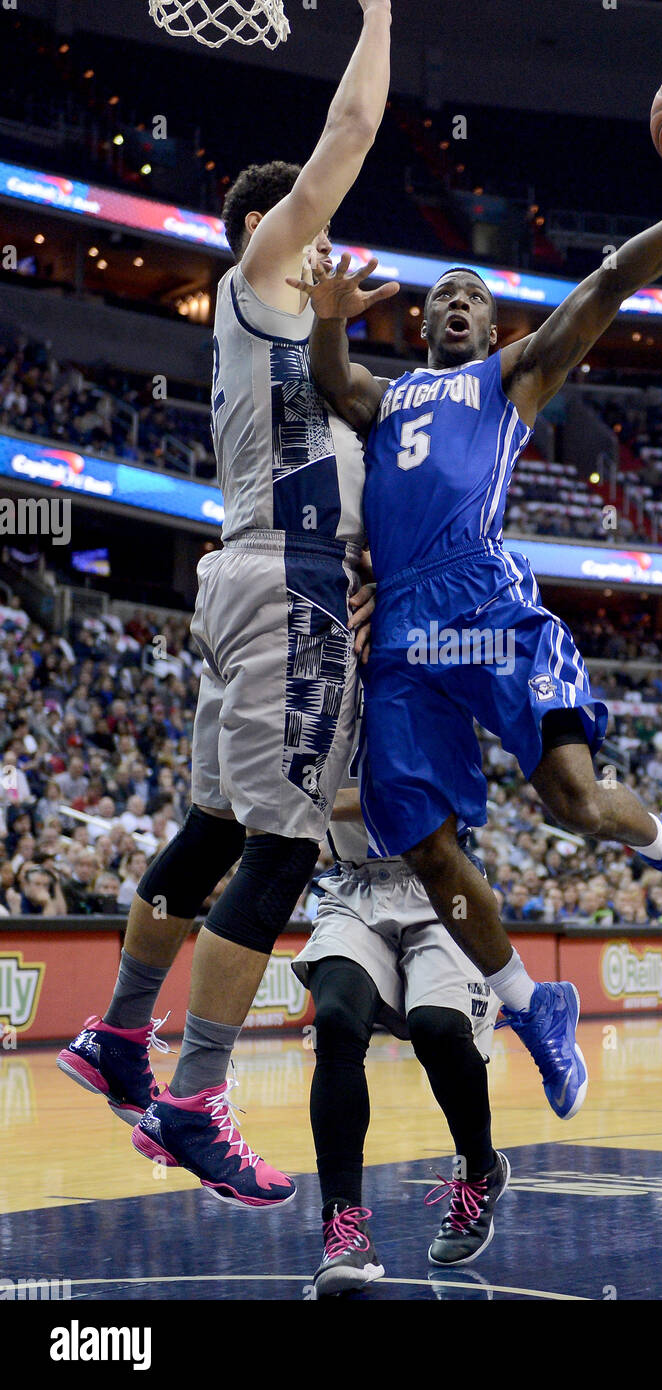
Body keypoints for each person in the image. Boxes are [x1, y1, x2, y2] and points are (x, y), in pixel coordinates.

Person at [299, 110, 662, 1120]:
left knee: (571, 797)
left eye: (475, 296)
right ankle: (530, 1006)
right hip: (403, 646)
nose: (460, 305)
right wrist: (330, 316)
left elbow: (606, 286)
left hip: (484, 605)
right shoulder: (387, 402)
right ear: (423, 323)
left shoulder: (511, 380)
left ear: (495, 327)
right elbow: (330, 377)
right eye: (445, 298)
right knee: (424, 844)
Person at [57, 0, 393, 1209]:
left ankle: (114, 1036)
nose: (324, 225)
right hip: (280, 587)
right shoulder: (260, 279)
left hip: (252, 579)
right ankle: (195, 1097)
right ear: (266, 228)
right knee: (286, 842)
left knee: (208, 829)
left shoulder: (305, 336)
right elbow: (351, 127)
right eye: (305, 211)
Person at [291, 738, 506, 1295]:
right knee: (335, 1021)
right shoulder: (318, 687)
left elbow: (433, 798)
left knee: (438, 1027)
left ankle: (479, 1169)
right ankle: (343, 1232)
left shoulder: (428, 680)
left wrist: (310, 798)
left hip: (441, 882)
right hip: (354, 885)